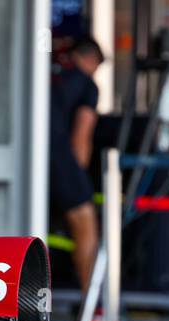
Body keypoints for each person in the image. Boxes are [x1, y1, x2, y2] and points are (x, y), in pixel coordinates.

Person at [50, 34, 104, 295]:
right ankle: (91, 305)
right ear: (91, 60)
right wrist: (77, 179)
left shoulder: (43, 70)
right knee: (85, 219)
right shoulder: (87, 85)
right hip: (59, 155)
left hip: (24, 156)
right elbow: (81, 140)